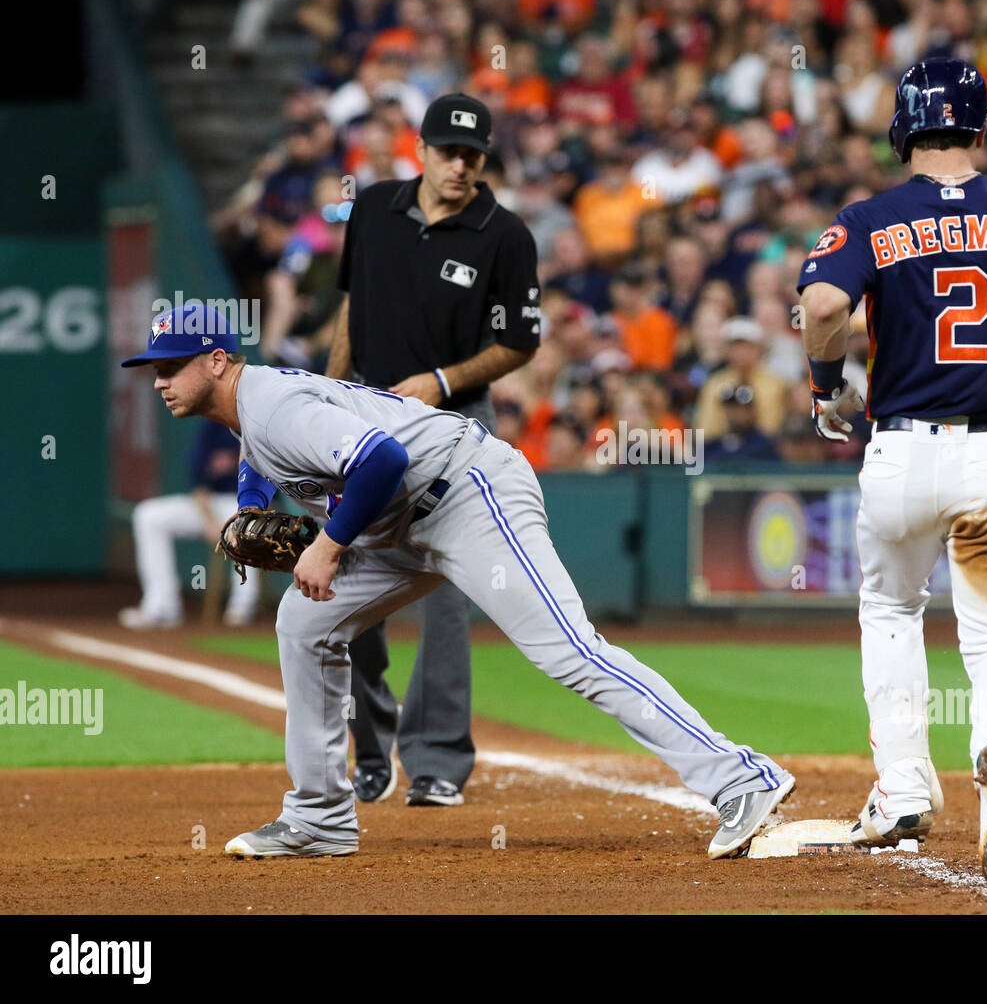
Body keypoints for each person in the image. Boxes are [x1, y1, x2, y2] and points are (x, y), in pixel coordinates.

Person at [118, 308, 795, 860]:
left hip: (468, 494)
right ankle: (320, 818)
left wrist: (327, 544)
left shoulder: (272, 404)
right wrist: (247, 510)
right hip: (399, 530)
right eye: (153, 370)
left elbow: (383, 458)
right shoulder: (253, 409)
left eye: (171, 365)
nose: (159, 380)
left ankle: (741, 778)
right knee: (303, 623)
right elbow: (261, 463)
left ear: (217, 361)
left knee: (568, 651)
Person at [796, 58, 987, 891]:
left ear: (904, 127)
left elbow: (823, 307)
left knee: (891, 611)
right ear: (978, 128)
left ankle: (901, 792)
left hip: (900, 447)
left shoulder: (869, 216)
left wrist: (828, 384)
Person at [324, 93, 540, 808]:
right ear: (421, 149)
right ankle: (370, 741)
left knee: (449, 596)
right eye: (448, 150)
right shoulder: (373, 208)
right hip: (363, 417)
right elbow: (351, 307)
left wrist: (443, 380)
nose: (459, 164)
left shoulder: (504, 234)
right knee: (348, 583)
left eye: (472, 154)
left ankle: (438, 758)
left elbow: (520, 342)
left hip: (455, 427)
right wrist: (324, 397)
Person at [119, 412, 261, 630]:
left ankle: (242, 606)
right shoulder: (214, 425)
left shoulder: (259, 425)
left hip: (246, 505)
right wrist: (210, 521)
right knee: (149, 515)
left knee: (243, 520)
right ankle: (162, 606)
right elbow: (198, 484)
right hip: (211, 505)